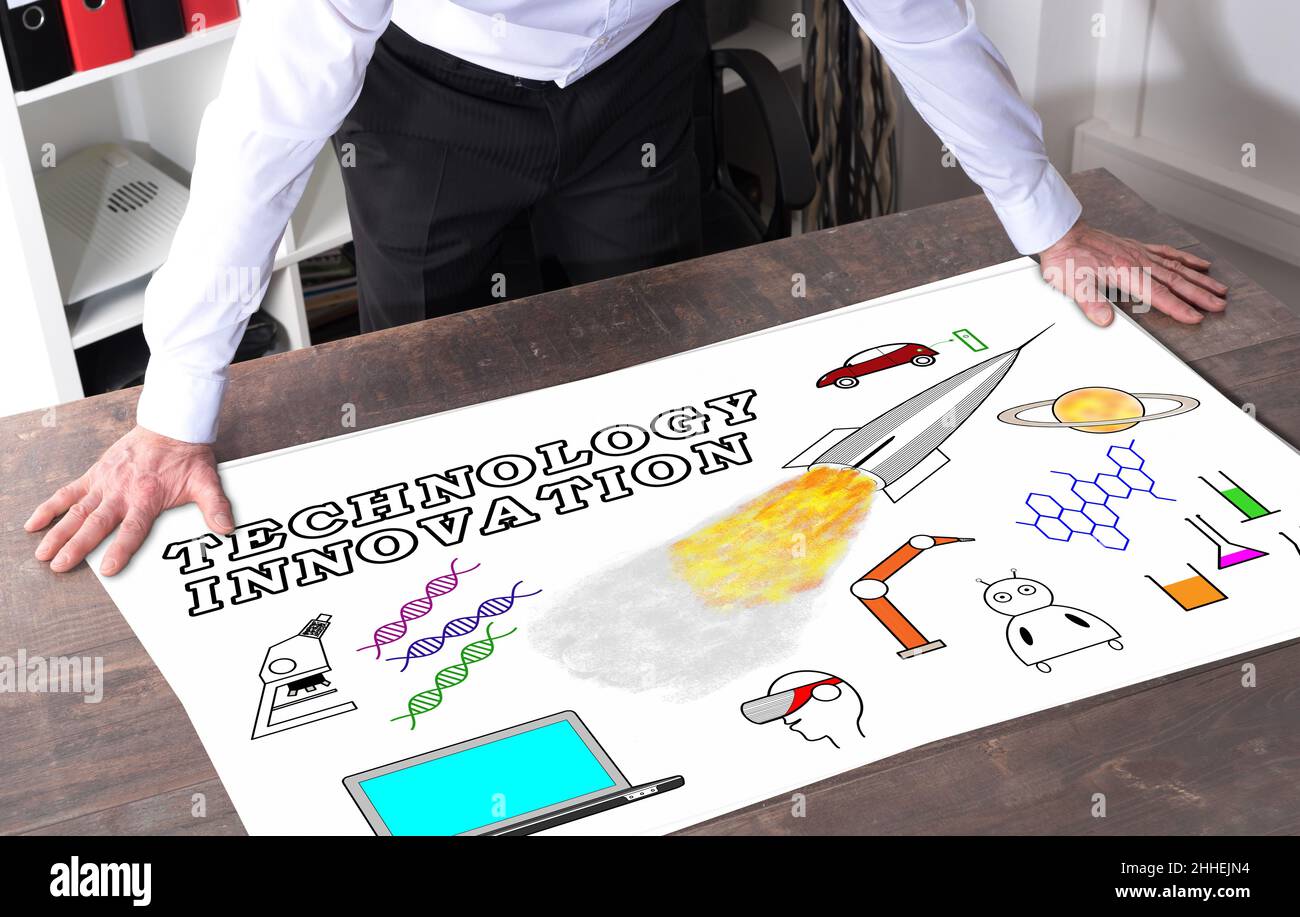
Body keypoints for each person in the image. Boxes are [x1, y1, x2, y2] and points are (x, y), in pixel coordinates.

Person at [25, 0, 1228, 575]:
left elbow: (915, 21)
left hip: (637, 76)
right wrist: (170, 416)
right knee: (438, 395)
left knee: (654, 352)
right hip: (432, 96)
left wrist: (1049, 225)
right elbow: (260, 137)